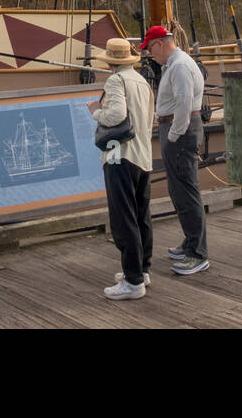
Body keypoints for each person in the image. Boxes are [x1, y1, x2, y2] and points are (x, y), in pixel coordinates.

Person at [87, 36, 154, 300]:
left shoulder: (116, 81)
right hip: (142, 156)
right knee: (141, 215)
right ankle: (142, 269)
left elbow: (115, 116)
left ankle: (132, 281)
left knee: (123, 217)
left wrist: (95, 110)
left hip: (119, 156)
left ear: (110, 61)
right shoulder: (141, 81)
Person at [139, 24, 208, 275]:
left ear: (159, 44)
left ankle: (198, 254)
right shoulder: (175, 63)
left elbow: (184, 105)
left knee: (186, 192)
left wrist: (174, 135)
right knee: (179, 190)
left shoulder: (178, 66)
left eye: (149, 49)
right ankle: (191, 242)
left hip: (179, 131)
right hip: (177, 130)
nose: (149, 54)